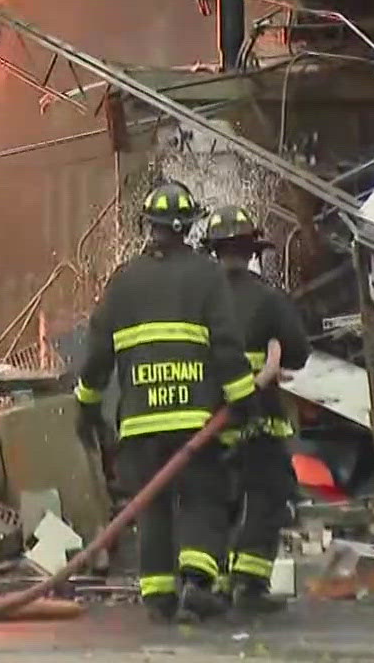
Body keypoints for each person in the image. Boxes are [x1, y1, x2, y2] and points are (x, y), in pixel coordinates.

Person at [75, 181, 256, 623]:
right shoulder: (208, 276)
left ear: (148, 226)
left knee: (151, 506)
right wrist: (243, 401)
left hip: (140, 422)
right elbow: (226, 345)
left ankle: (158, 597)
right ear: (189, 226)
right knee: (202, 498)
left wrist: (87, 408)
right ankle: (196, 584)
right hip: (196, 421)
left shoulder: (123, 281)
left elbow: (96, 355)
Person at [204, 204, 310, 614]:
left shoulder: (199, 299)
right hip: (258, 421)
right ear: (252, 250)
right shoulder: (268, 298)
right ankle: (248, 585)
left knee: (213, 503)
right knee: (265, 498)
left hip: (205, 422)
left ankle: (211, 582)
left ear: (213, 250)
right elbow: (297, 352)